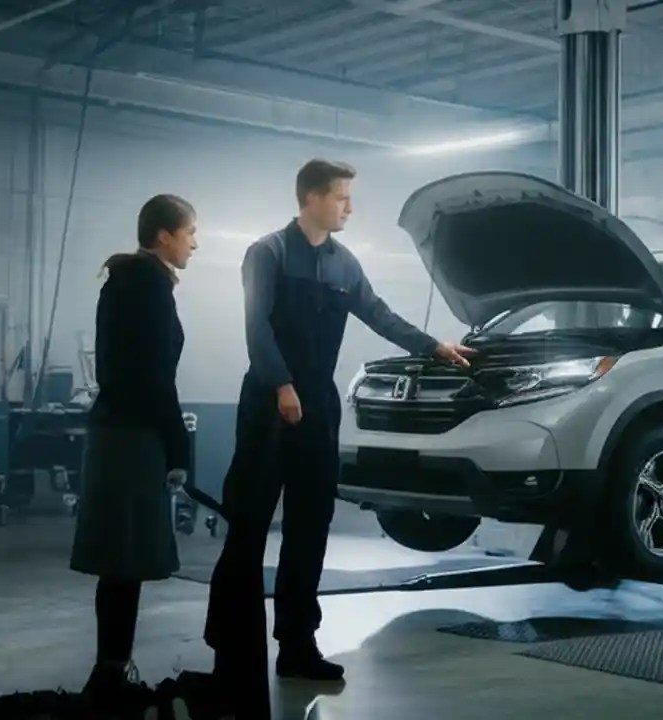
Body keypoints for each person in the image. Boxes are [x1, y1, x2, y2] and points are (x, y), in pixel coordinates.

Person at [204, 160, 473, 715]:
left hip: (318, 406)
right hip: (268, 402)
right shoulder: (268, 254)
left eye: (349, 199)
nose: (349, 207)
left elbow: (378, 314)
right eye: (341, 198)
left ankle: (298, 646)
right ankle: (231, 646)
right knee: (250, 523)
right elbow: (256, 326)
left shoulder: (344, 262)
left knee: (310, 526)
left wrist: (433, 346)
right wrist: (280, 385)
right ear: (310, 198)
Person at [69, 194, 198, 706]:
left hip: (114, 434)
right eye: (190, 231)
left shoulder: (125, 281)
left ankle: (111, 668)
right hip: (134, 437)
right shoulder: (149, 284)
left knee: (117, 564)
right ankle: (109, 675)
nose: (195, 241)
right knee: (124, 561)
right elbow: (155, 376)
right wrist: (178, 448)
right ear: (164, 235)